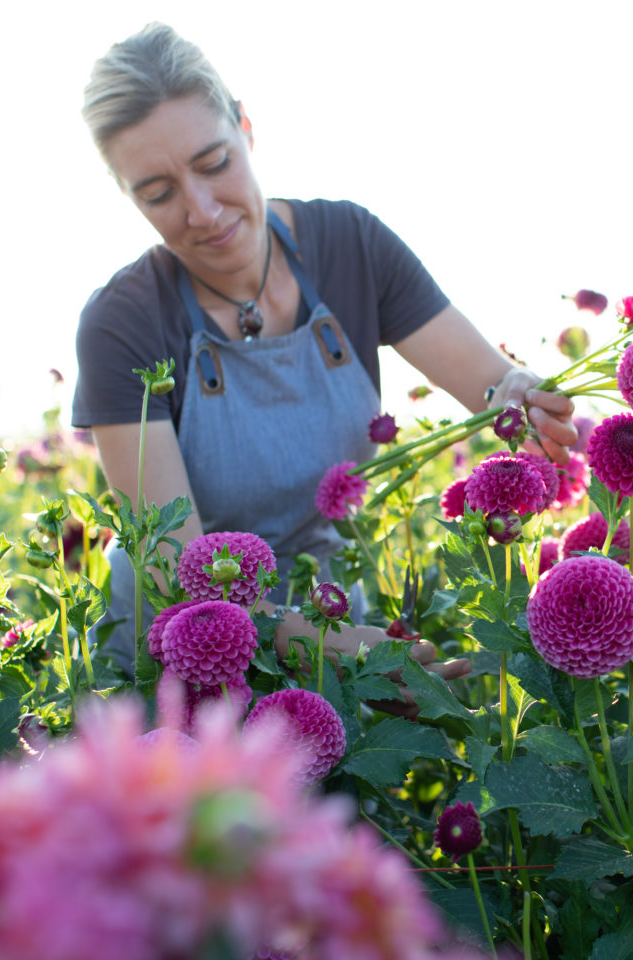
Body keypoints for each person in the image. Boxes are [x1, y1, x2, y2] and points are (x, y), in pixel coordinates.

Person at [72, 23, 575, 685]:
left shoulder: (352, 247)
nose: (201, 211)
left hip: (334, 617)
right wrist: (327, 648)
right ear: (128, 196)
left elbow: (491, 386)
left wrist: (517, 396)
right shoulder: (123, 322)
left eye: (214, 163)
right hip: (173, 656)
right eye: (159, 194)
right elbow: (175, 569)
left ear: (246, 128)